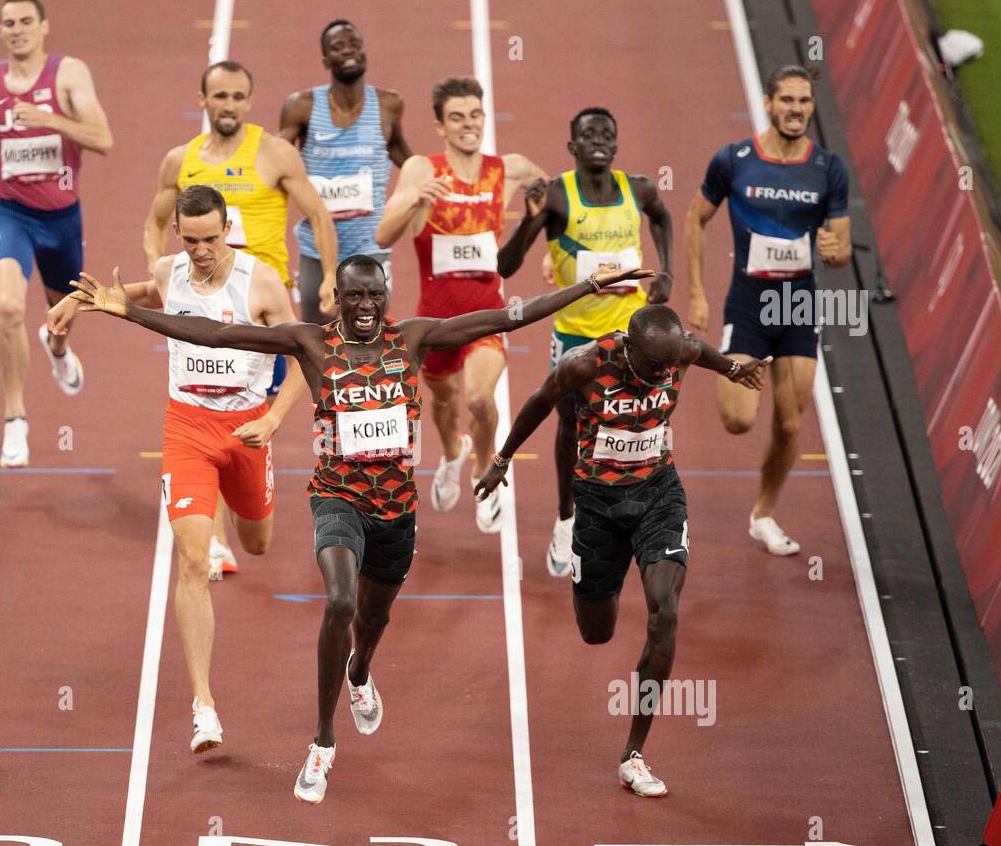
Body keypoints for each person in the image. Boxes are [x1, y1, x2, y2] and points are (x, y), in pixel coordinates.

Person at [62, 254, 651, 803]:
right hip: (336, 498)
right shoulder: (310, 342)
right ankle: (322, 741)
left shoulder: (413, 337)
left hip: (395, 509)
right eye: (355, 295)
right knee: (340, 600)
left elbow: (507, 315)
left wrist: (585, 288)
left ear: (385, 295)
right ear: (337, 298)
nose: (365, 304)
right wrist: (129, 311)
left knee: (372, 619)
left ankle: (360, 671)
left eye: (375, 294)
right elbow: (216, 334)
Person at [51, 186, 305, 754]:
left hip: (247, 430)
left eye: (212, 239)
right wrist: (76, 302)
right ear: (178, 237)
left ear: (227, 231)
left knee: (258, 542)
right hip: (186, 431)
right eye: (191, 241)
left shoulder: (260, 284)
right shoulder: (173, 274)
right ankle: (204, 707)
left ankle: (235, 517)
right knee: (192, 561)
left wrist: (274, 422)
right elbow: (136, 291)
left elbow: (305, 362)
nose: (203, 251)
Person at [475, 305, 769, 796]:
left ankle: (634, 754)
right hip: (598, 504)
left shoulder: (681, 352)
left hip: (658, 495)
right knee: (597, 632)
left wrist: (737, 370)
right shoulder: (584, 364)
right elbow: (538, 403)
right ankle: (587, 575)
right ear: (629, 349)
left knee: (664, 613)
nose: (662, 374)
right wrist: (502, 461)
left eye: (669, 366)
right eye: (653, 367)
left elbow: (709, 355)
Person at [144, 60, 338, 579]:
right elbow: (156, 219)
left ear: (249, 102)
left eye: (237, 96)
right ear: (203, 99)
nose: (228, 104)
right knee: (203, 402)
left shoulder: (274, 153)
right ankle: (212, 537)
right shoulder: (179, 160)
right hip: (203, 303)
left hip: (260, 310)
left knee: (251, 408)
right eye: (219, 95)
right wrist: (155, 266)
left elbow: (317, 213)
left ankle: (240, 503)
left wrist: (329, 276)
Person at [498, 106, 673, 576]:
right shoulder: (556, 195)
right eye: (587, 133)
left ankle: (636, 519)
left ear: (616, 144)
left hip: (630, 335)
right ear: (572, 146)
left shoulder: (638, 189)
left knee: (636, 426)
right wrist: (528, 221)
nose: (598, 139)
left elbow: (661, 217)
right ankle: (565, 521)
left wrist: (667, 271)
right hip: (575, 336)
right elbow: (505, 267)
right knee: (572, 428)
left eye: (606, 133)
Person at [684, 64, 851, 555]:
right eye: (788, 101)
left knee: (791, 423)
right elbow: (695, 218)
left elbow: (840, 249)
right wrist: (696, 292)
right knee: (738, 420)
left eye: (804, 102)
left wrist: (835, 253)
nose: (796, 110)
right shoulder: (733, 161)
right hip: (750, 303)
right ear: (768, 102)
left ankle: (764, 514)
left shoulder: (828, 169)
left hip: (798, 303)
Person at [0, 0, 113, 467]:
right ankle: (15, 418)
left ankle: (57, 350)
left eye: (25, 21)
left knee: (60, 319)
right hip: (12, 215)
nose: (16, 29)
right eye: (7, 23)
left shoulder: (68, 74)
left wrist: (50, 119)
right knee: (8, 308)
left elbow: (103, 139)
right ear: (0, 31)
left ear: (43, 27)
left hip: (62, 221)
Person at [376, 76, 547, 533]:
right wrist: (414, 197)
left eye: (474, 114)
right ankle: (453, 453)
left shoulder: (508, 169)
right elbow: (384, 233)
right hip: (434, 321)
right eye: (457, 117)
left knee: (478, 397)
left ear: (484, 118)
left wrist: (552, 249)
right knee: (444, 403)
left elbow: (555, 198)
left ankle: (485, 464)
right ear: (440, 125)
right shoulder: (421, 169)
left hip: (486, 315)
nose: (468, 124)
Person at [279, 18, 411, 323]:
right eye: (338, 47)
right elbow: (277, 159)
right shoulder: (302, 106)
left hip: (370, 245)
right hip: (317, 247)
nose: (348, 51)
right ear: (325, 59)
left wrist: (437, 181)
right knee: (317, 338)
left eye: (355, 44)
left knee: (367, 335)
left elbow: (403, 155)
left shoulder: (388, 105)